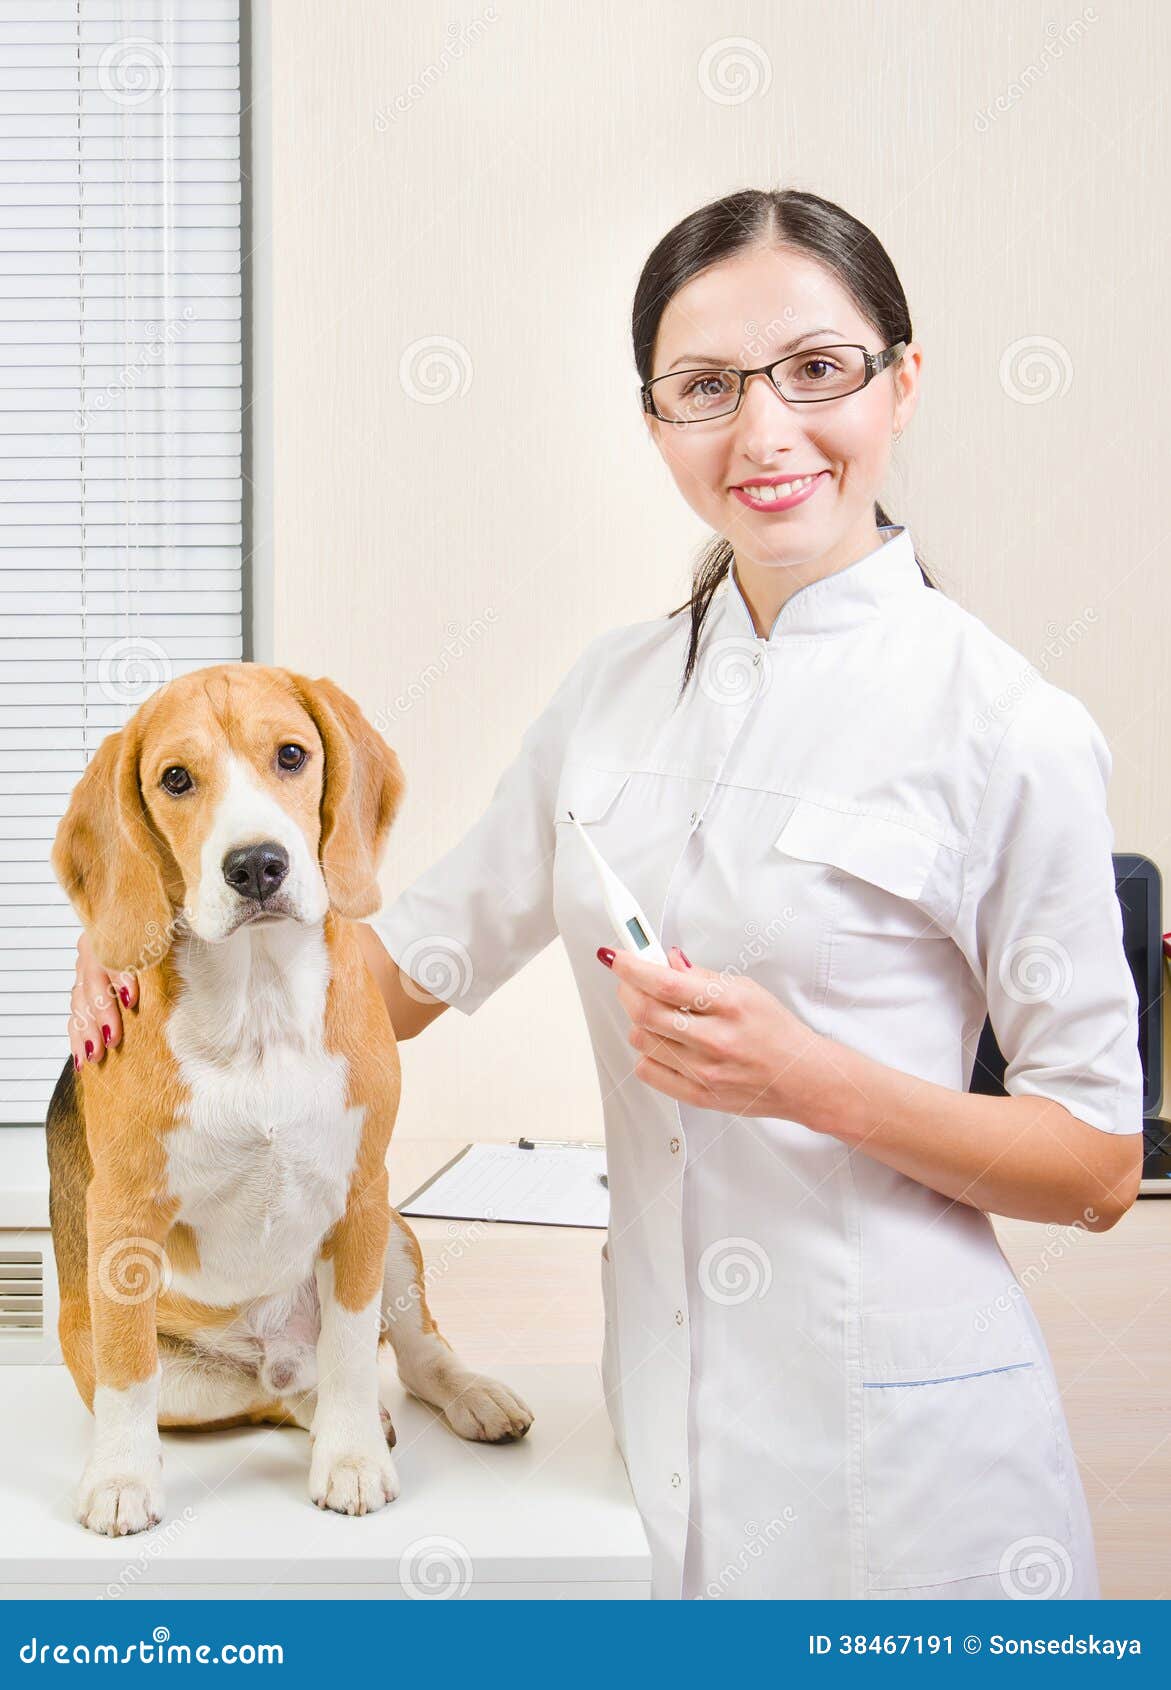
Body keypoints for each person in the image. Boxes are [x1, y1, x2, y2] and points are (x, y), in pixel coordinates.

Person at [71, 188, 1144, 1601]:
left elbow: (1098, 1164)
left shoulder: (1011, 725)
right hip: (658, 1432)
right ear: (655, 420)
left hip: (914, 1470)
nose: (763, 433)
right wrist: (141, 957)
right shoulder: (609, 700)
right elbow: (401, 968)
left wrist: (810, 1077)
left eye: (815, 371)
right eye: (705, 387)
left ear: (903, 382)